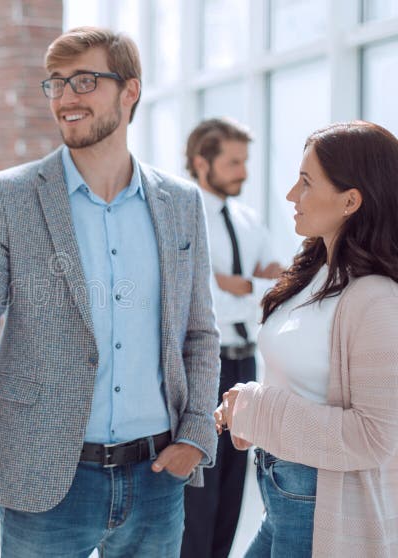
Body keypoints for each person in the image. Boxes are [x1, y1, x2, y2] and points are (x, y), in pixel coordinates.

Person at [0, 26, 221, 556]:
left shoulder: (181, 203)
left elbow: (200, 333)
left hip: (158, 478)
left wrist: (195, 436)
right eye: (56, 84)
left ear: (130, 91)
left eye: (85, 81)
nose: (67, 98)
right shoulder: (9, 195)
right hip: (44, 478)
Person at [216, 120, 398, 557]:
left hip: (319, 504)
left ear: (351, 200)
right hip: (283, 493)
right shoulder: (313, 274)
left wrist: (258, 409)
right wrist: (251, 409)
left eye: (306, 182)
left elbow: (375, 437)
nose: (290, 196)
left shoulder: (375, 299)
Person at [181, 118, 283, 558]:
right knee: (198, 491)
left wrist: (235, 284)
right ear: (202, 162)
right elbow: (199, 301)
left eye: (245, 161)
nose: (243, 171)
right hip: (205, 362)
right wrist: (242, 287)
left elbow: (280, 289)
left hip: (246, 365)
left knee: (232, 489)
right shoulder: (183, 214)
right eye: (233, 161)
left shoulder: (249, 220)